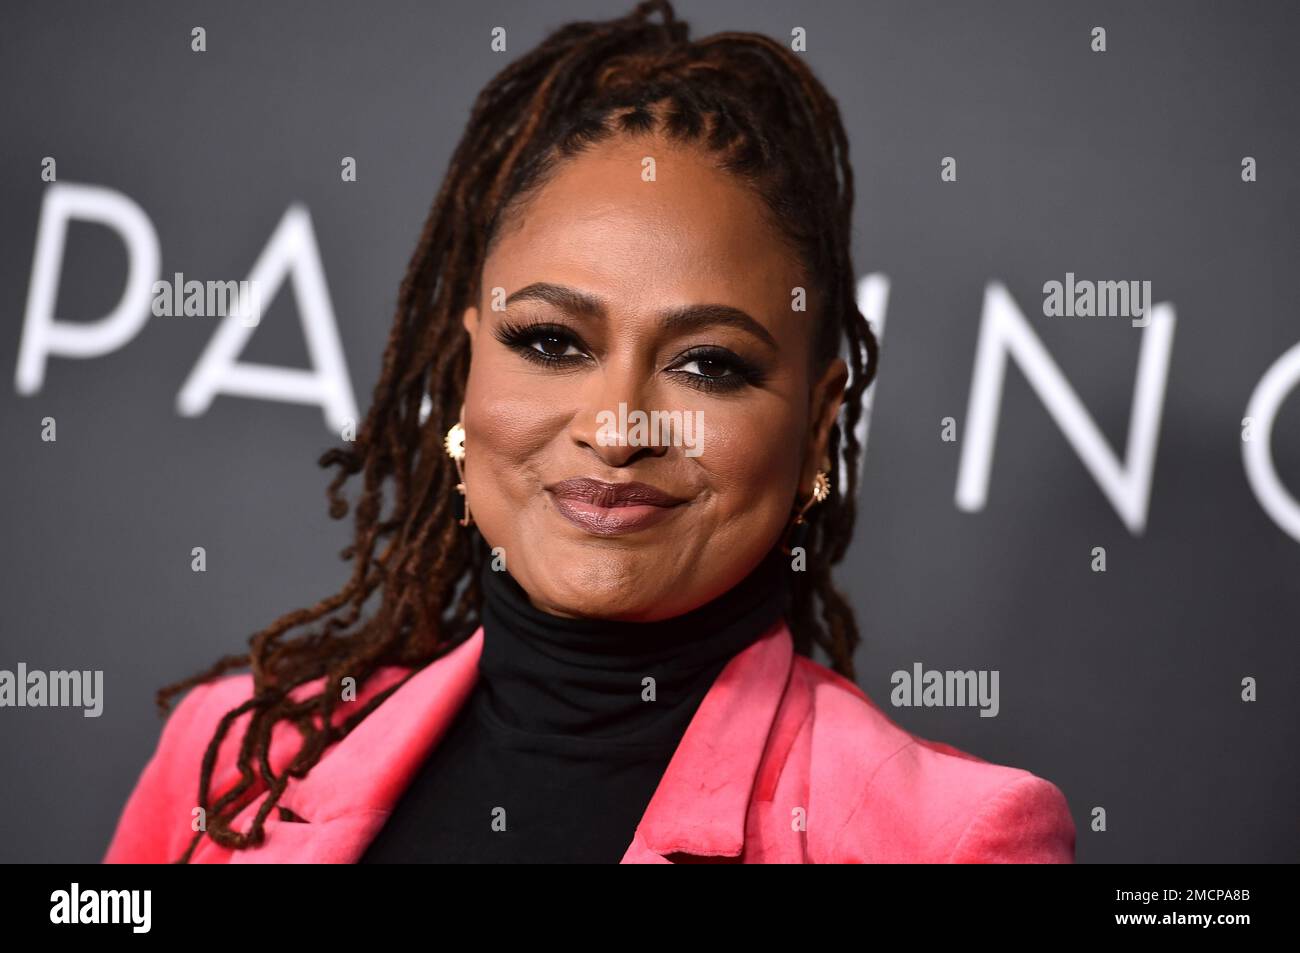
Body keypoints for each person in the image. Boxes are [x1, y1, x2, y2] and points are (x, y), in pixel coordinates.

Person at [103, 0, 1074, 864]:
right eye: (552, 341)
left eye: (709, 363)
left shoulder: (949, 841)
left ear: (820, 424)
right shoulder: (233, 758)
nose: (617, 428)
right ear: (468, 367)